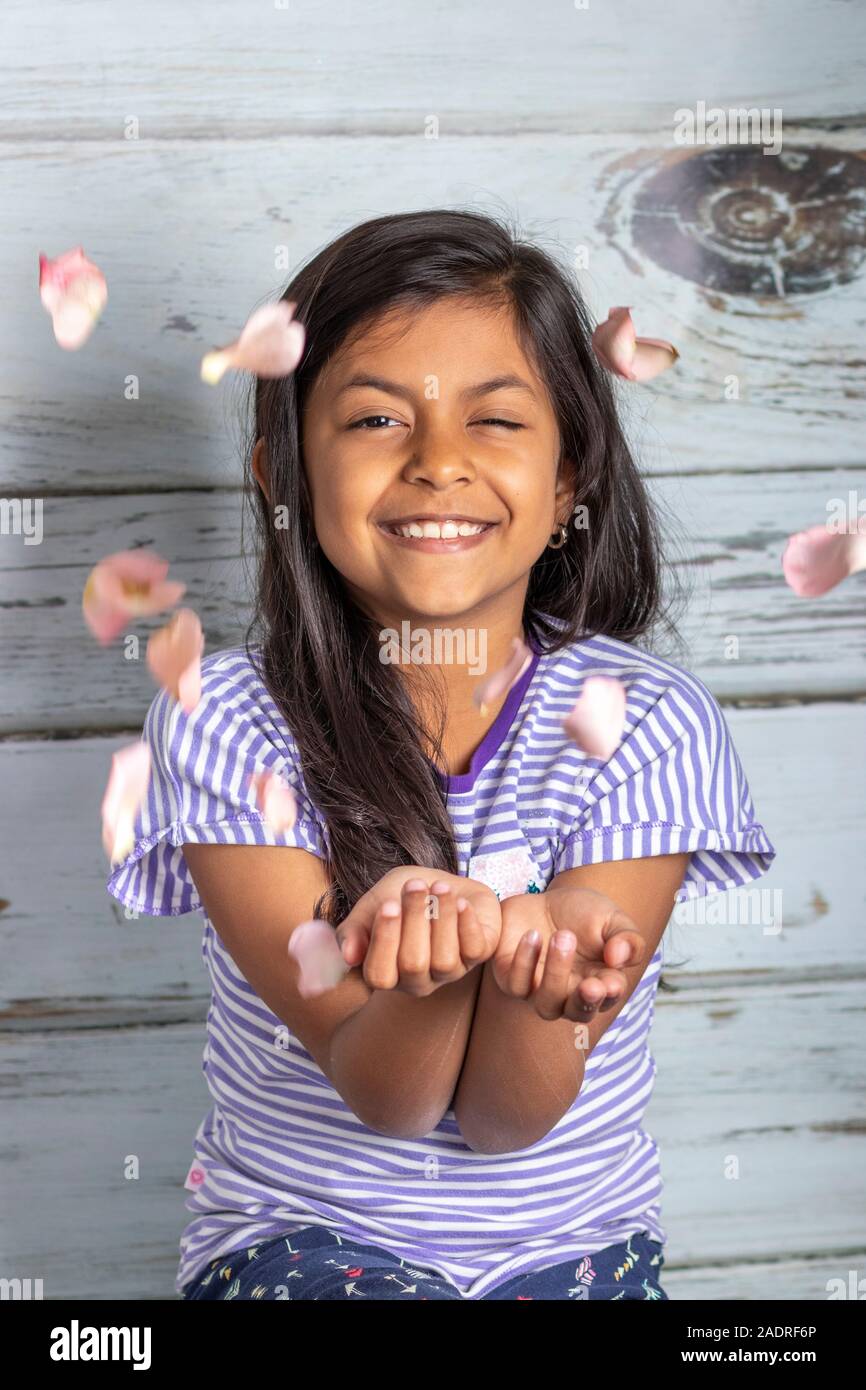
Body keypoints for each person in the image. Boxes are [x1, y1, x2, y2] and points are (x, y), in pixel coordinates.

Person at [106, 208, 776, 1301]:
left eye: (495, 421)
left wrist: (533, 976)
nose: (438, 464)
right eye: (376, 418)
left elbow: (509, 1118)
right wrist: (432, 969)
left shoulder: (648, 721)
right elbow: (389, 1097)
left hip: (576, 1250)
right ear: (282, 474)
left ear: (566, 481)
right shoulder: (223, 720)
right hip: (303, 1243)